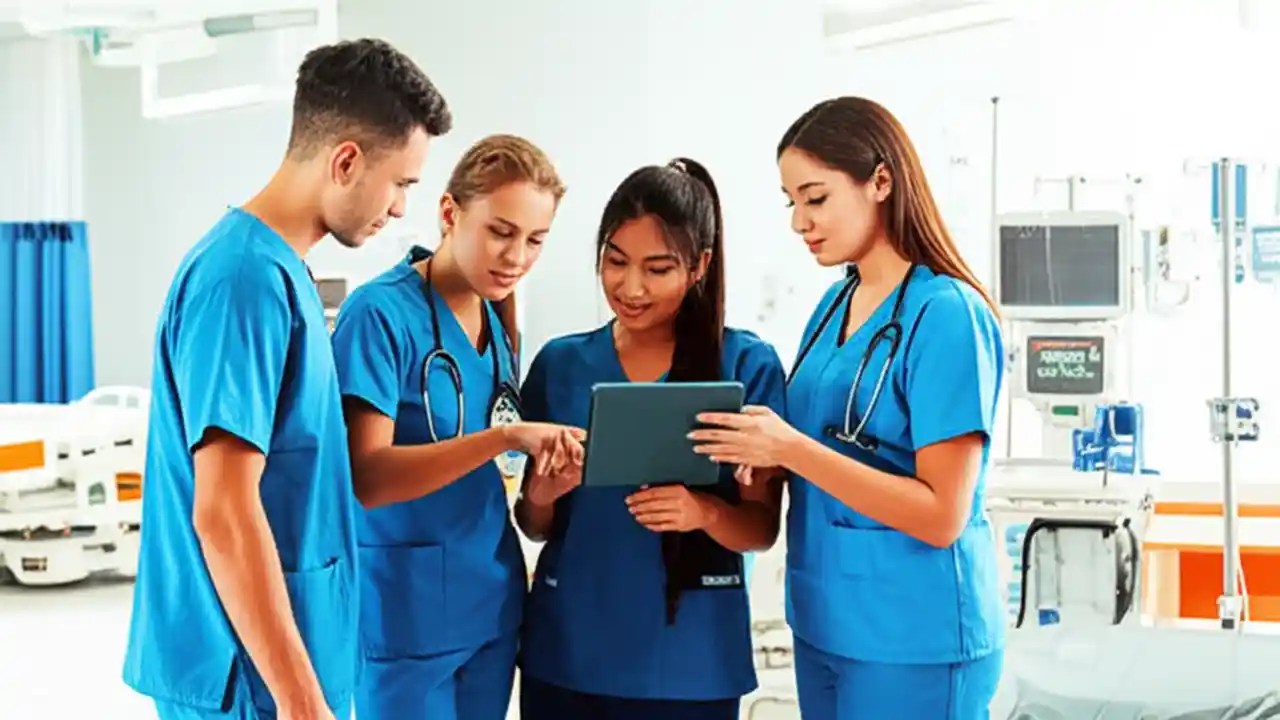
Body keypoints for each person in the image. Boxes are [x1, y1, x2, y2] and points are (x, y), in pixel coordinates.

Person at [120, 39, 451, 720]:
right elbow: (222, 511)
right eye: (401, 184)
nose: (397, 210)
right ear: (347, 160)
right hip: (245, 681)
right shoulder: (240, 281)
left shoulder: (282, 274)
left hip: (281, 671)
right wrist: (303, 704)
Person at [689, 96, 1007, 719]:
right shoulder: (834, 307)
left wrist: (791, 450)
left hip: (914, 634)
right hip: (826, 621)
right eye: (791, 203)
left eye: (815, 197)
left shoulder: (946, 314)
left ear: (880, 181)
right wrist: (766, 461)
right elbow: (823, 449)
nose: (799, 222)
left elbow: (943, 513)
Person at [515, 157, 788, 720]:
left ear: (700, 267)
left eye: (658, 269)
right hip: (569, 654)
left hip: (690, 664)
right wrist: (543, 494)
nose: (630, 286)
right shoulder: (561, 364)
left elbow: (760, 528)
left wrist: (703, 512)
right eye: (615, 261)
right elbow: (533, 524)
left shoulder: (745, 366)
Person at [329, 133, 583, 720]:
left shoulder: (497, 322)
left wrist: (548, 480)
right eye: (501, 231)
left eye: (535, 241)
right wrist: (506, 437)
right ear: (449, 212)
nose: (516, 256)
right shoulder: (380, 315)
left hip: (489, 607)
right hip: (404, 617)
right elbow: (366, 476)